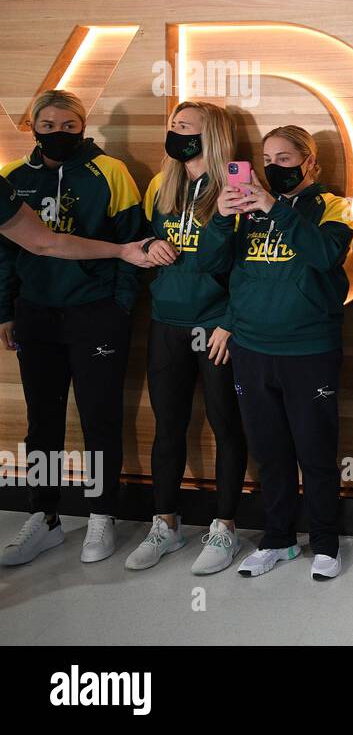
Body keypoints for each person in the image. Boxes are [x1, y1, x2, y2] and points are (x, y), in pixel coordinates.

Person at [0, 89, 146, 566]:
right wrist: (6, 310)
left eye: (69, 126)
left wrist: (119, 306)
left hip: (95, 311)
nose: (58, 133)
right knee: (43, 420)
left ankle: (101, 513)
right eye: (48, 125)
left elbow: (132, 243)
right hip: (36, 313)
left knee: (99, 416)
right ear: (33, 126)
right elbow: (6, 253)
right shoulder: (12, 178)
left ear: (83, 126)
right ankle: (44, 517)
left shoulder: (110, 172)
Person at [210, 125, 353, 581]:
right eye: (267, 160)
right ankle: (278, 538)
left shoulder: (334, 206)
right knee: (269, 451)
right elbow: (213, 265)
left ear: (310, 162)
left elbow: (325, 255)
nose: (274, 168)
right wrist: (218, 218)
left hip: (309, 348)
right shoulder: (244, 211)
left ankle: (326, 541)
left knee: (315, 451)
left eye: (285, 159)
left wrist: (276, 209)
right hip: (252, 347)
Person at [123, 101, 248, 576]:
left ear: (210, 135)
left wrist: (231, 319)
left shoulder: (234, 187)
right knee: (168, 424)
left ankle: (225, 526)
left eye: (184, 127)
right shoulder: (164, 182)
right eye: (173, 125)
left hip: (214, 323)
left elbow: (234, 262)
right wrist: (150, 244)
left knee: (224, 424)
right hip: (166, 320)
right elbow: (145, 238)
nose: (174, 133)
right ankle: (166, 523)